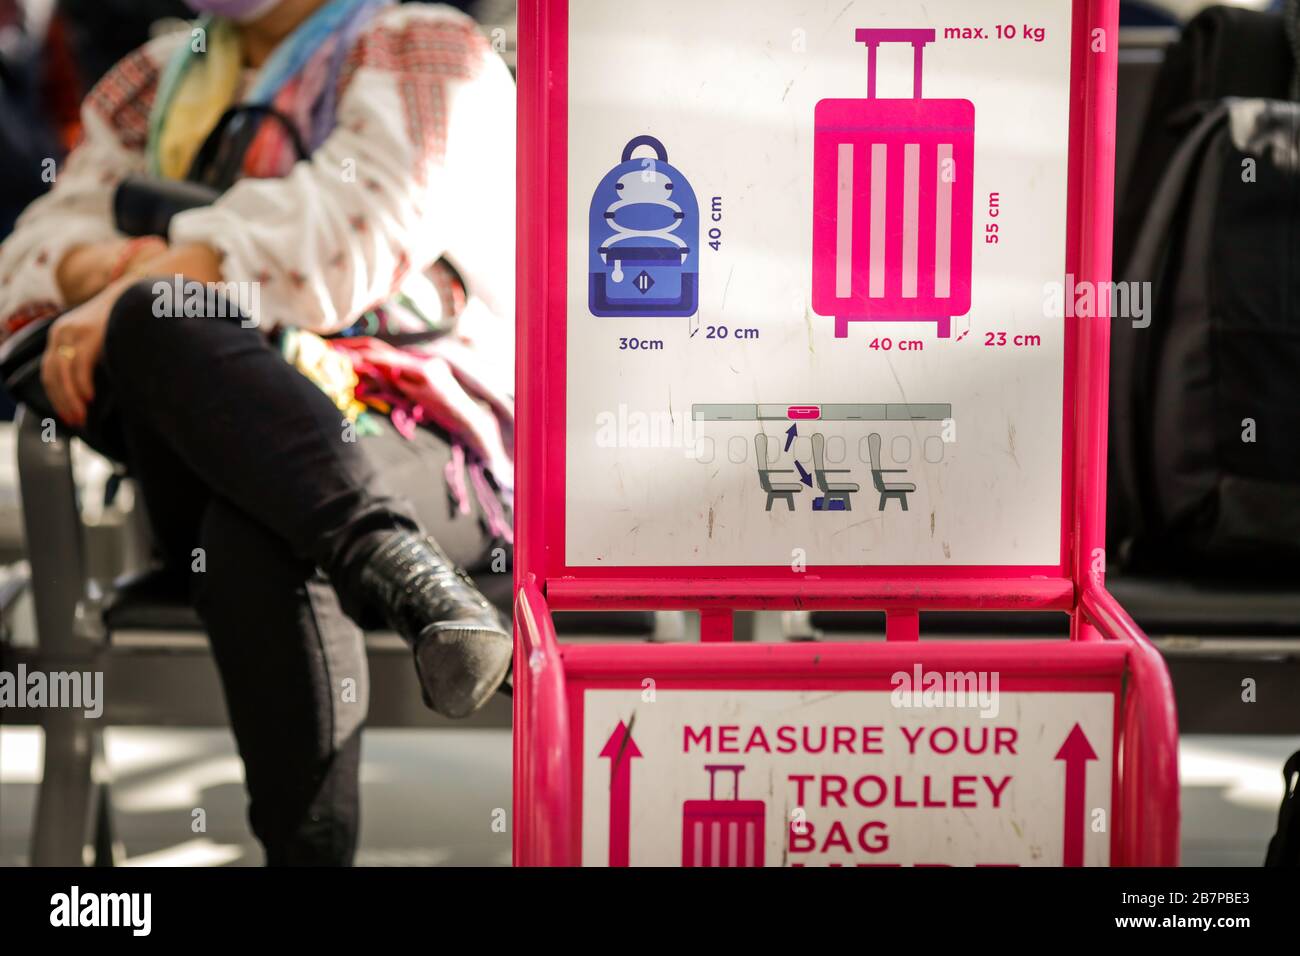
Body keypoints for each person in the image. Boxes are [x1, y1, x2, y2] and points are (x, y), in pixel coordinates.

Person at [0, 0, 516, 865]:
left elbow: (351, 232)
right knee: (160, 316)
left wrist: (153, 258)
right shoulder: (161, 78)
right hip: (207, 443)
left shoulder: (428, 51)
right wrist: (163, 276)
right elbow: (30, 259)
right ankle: (396, 567)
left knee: (256, 530)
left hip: (412, 428)